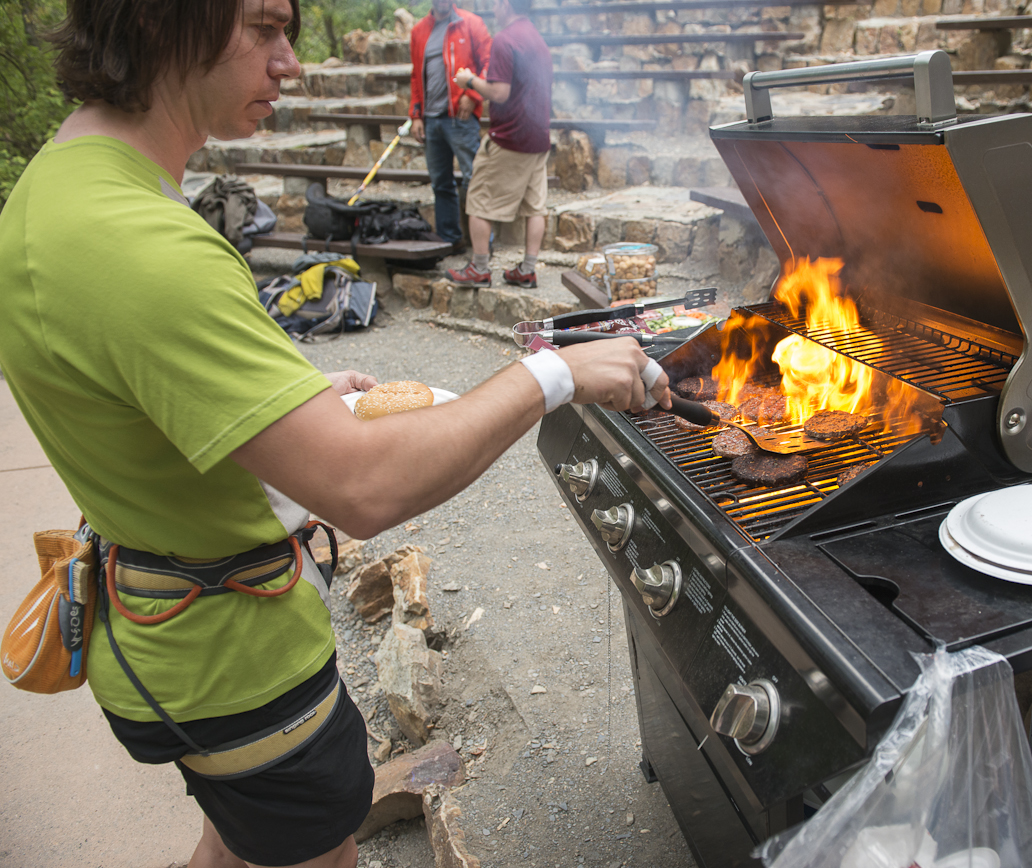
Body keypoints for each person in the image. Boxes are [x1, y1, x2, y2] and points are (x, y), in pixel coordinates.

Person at [0, 2, 669, 867]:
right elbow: (362, 487)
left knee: (236, 846)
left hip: (158, 638)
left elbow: (129, 386)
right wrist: (556, 374)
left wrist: (286, 401)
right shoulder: (145, 246)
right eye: (265, 28)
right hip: (236, 666)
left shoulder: (56, 192)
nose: (293, 63)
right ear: (165, 20)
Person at [445, 0, 552, 290]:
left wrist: (469, 81)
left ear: (506, 4)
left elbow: (500, 92)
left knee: (478, 199)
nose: (493, 6)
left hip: (510, 137)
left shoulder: (506, 39)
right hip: (539, 137)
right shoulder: (536, 38)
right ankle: (527, 270)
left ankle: (479, 269)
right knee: (535, 205)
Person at [408, 0, 491, 252]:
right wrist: (416, 115)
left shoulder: (471, 24)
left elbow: (490, 64)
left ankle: (482, 245)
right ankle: (450, 240)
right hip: (431, 120)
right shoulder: (419, 31)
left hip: (461, 118)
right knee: (440, 183)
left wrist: (473, 94)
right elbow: (415, 76)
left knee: (473, 179)